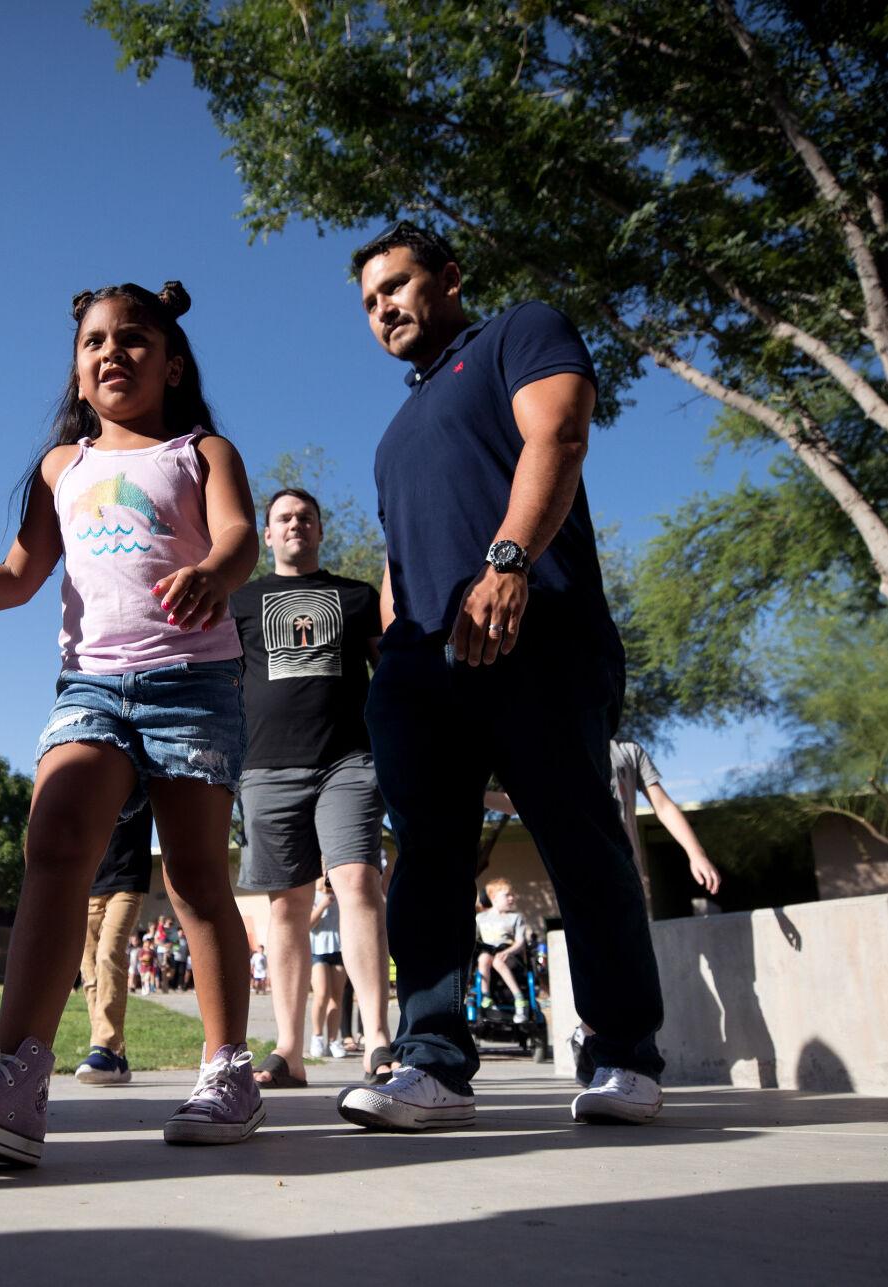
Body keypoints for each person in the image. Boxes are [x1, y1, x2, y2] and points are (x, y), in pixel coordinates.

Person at [0, 280, 264, 1164]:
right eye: (93, 341)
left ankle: (227, 1065)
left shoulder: (203, 450)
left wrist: (217, 573)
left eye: (132, 340)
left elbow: (240, 535)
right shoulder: (61, 467)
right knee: (52, 850)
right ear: (77, 371)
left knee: (197, 874)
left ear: (171, 362)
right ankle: (15, 1078)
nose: (111, 352)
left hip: (189, 681)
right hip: (89, 684)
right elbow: (16, 575)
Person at [336, 222, 666, 1133]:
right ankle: (433, 1060)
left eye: (396, 286)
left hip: (540, 633)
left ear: (446, 279)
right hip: (420, 665)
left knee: (577, 838)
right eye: (368, 302)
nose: (383, 309)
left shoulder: (518, 331)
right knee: (427, 857)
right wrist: (393, 656)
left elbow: (556, 434)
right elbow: (403, 561)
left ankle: (624, 1055)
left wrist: (509, 560)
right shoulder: (394, 432)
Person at [231, 487, 394, 1089]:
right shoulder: (239, 603)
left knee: (358, 881)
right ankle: (290, 1051)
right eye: (283, 518)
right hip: (266, 767)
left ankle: (377, 1040)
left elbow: (393, 674)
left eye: (306, 517)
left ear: (320, 532)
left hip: (348, 761)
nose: (295, 524)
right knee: (287, 904)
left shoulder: (355, 597)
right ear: (267, 536)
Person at [487, 738, 722, 1075]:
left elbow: (662, 804)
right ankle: (595, 1042)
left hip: (627, 878)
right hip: (581, 878)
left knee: (630, 966)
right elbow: (520, 801)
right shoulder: (558, 747)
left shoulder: (628, 751)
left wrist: (695, 853)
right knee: (599, 966)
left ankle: (615, 1055)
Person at [76, 809, 153, 1085]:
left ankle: (104, 1047)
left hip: (127, 879)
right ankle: (114, 1055)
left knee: (109, 955)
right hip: (87, 882)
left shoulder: (141, 768)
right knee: (89, 972)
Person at [474, 878, 529, 1023]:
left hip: (509, 953)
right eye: (507, 895)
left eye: (512, 895)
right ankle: (486, 998)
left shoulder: (515, 918)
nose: (512, 898)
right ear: (494, 898)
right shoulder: (481, 918)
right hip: (488, 953)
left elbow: (520, 942)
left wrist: (508, 952)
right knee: (483, 958)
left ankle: (519, 1000)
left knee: (498, 960)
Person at [308, 879, 349, 1059]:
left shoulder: (340, 893)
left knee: (337, 997)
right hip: (317, 950)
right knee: (322, 994)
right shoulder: (312, 895)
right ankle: (317, 1036)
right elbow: (308, 924)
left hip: (339, 948)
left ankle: (334, 1040)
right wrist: (323, 905)